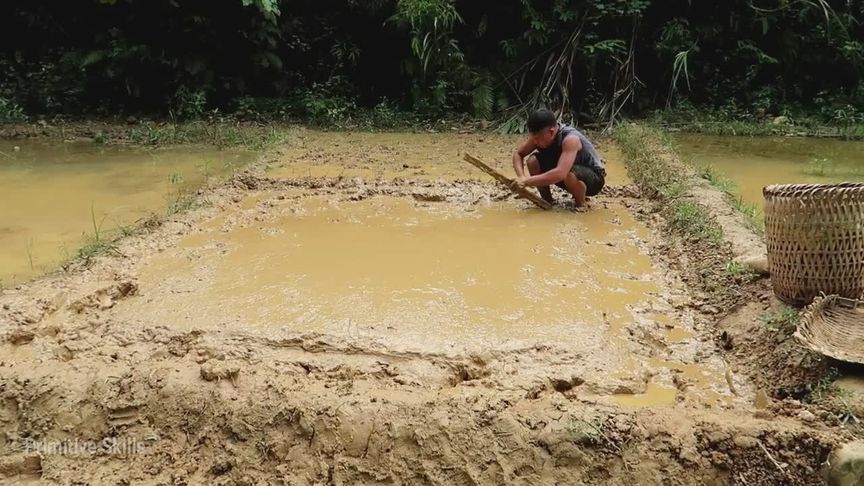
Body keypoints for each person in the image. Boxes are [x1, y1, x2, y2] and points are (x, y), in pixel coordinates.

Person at [510, 109, 606, 208]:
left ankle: (580, 206)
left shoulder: (570, 139)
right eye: (533, 138)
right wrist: (521, 177)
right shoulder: (539, 135)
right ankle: (547, 201)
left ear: (551, 132)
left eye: (537, 139)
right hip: (565, 176)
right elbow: (518, 154)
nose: (535, 142)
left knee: (570, 174)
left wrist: (526, 181)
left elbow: (561, 173)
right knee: (532, 161)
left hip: (593, 180)